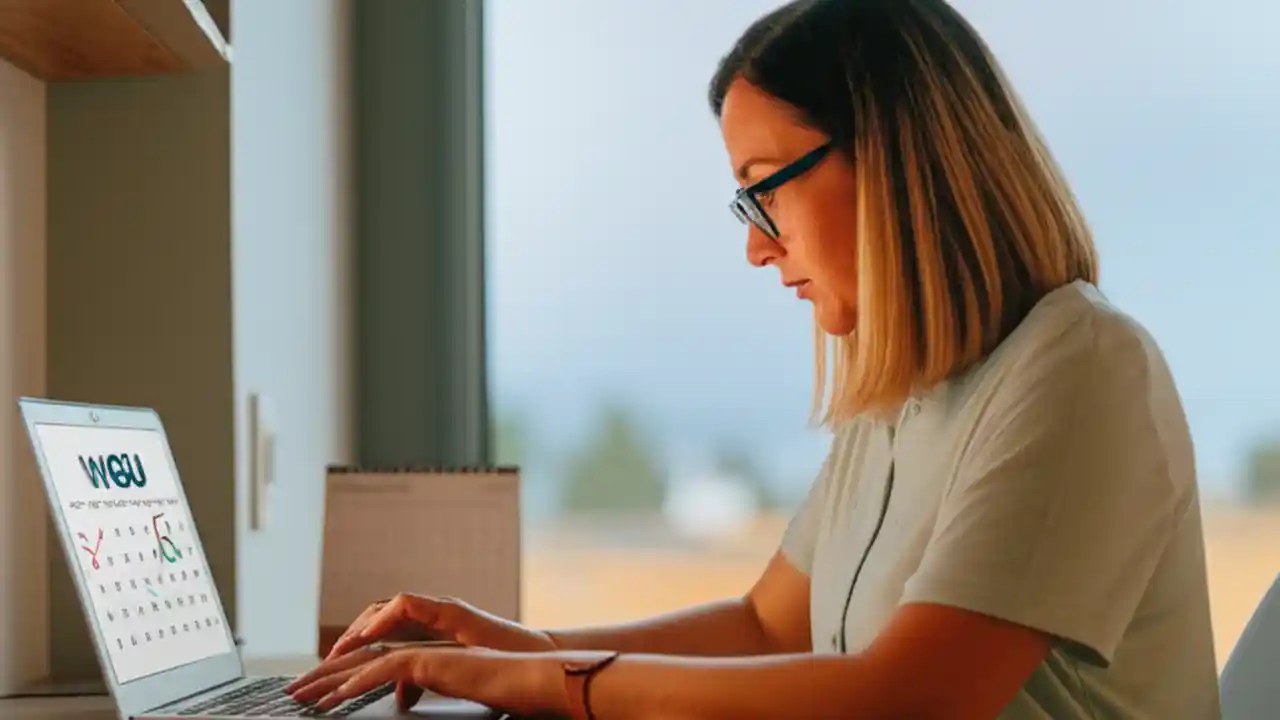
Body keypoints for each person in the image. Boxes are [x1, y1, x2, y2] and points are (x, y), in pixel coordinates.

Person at [287, 0, 1221, 717]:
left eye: (761, 189)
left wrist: (549, 683)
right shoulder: (901, 399)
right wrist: (526, 649)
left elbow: (904, 701)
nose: (757, 247)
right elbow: (769, 626)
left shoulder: (1081, 368)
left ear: (898, 156)